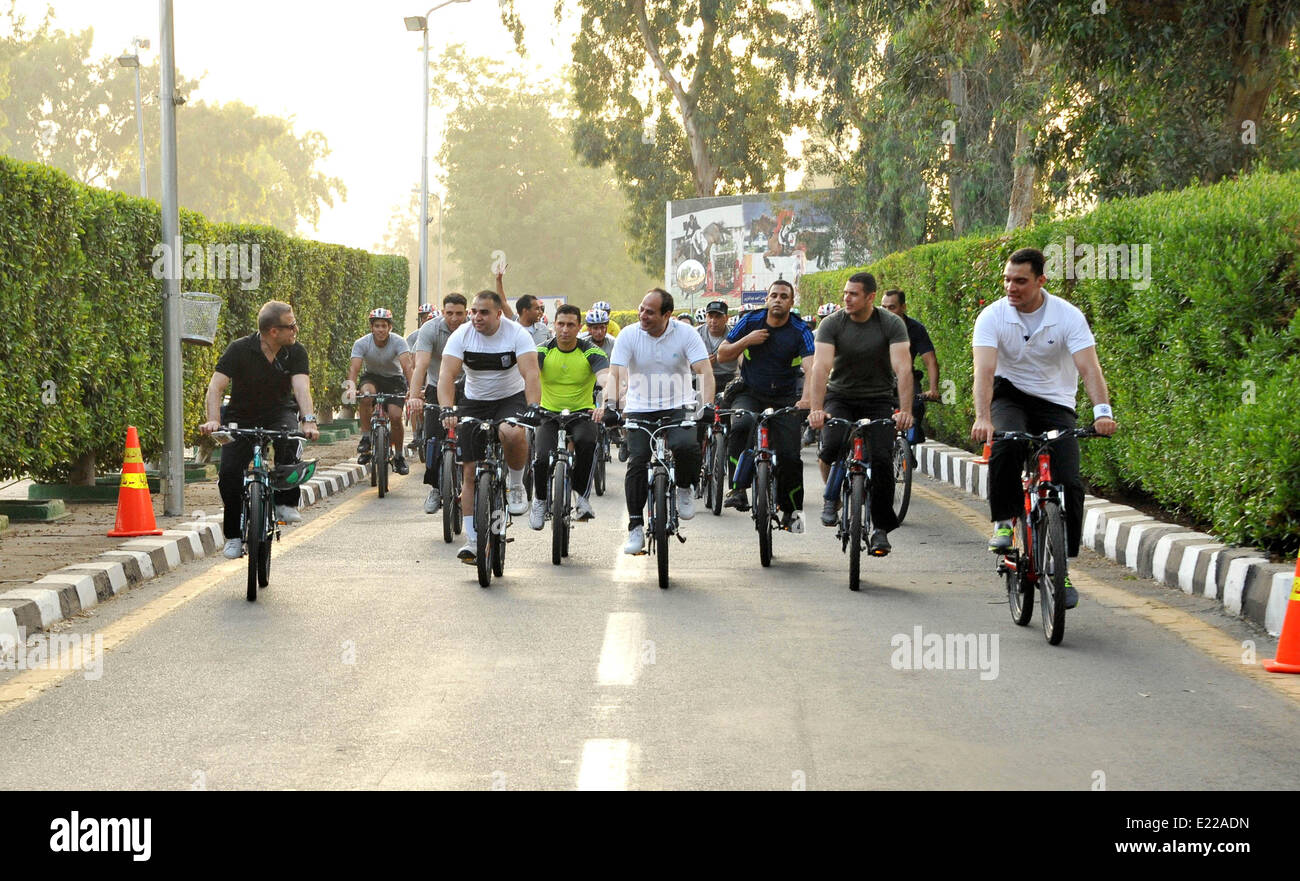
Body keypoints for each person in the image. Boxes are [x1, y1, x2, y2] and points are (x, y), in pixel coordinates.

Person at [971, 247, 1117, 609]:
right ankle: (1004, 522)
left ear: (1040, 281)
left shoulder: (1067, 316)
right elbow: (984, 372)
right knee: (1006, 445)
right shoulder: (992, 316)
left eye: (1020, 281)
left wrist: (1102, 411)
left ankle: (1062, 565)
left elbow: (1089, 368)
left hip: (1055, 403)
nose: (1010, 287)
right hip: (1010, 396)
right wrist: (983, 417)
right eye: (1006, 279)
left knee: (1068, 481)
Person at [200, 300, 320, 559]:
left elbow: (301, 389)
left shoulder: (296, 352)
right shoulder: (239, 349)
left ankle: (285, 501)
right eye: (291, 326)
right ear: (273, 331)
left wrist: (308, 420)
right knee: (230, 474)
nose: (296, 330)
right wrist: (213, 420)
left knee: (291, 440)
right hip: (240, 417)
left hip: (279, 413)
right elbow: (215, 387)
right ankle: (233, 536)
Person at [806, 272, 913, 556]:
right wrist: (817, 410)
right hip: (840, 396)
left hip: (878, 398)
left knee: (880, 459)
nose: (847, 298)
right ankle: (833, 496)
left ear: (870, 297)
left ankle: (880, 528)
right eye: (845, 293)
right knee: (830, 445)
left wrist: (905, 411)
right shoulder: (832, 324)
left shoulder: (890, 324)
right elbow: (820, 368)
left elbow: (903, 368)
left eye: (853, 294)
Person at [606, 288, 714, 555]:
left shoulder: (686, 334)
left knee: (686, 447)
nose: (643, 315)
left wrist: (708, 405)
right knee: (638, 461)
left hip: (679, 406)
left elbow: (704, 371)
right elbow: (616, 373)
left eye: (650, 312)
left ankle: (686, 486)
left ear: (668, 315)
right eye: (641, 309)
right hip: (640, 408)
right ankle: (634, 528)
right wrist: (611, 406)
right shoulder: (629, 335)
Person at [439, 290, 541, 563]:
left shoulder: (517, 334)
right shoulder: (461, 334)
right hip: (474, 402)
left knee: (510, 431)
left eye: (483, 312)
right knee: (470, 472)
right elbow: (447, 375)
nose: (476, 317)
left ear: (498, 313)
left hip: (511, 399)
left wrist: (533, 407)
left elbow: (531, 373)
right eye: (474, 311)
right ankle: (473, 540)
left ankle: (517, 484)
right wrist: (448, 409)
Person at [717, 281, 814, 532]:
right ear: (767, 300)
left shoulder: (799, 329)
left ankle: (792, 512)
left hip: (785, 397)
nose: (778, 300)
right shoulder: (751, 321)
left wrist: (807, 399)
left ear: (791, 303)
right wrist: (747, 340)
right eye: (773, 295)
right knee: (740, 426)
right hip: (750, 392)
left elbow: (812, 367)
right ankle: (737, 488)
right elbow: (723, 353)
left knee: (790, 456)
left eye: (784, 296)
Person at [529, 304, 610, 529]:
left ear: (579, 327)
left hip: (582, 413)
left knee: (587, 443)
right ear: (554, 326)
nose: (565, 329)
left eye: (570, 325)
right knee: (542, 457)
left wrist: (603, 404)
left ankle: (582, 497)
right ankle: (540, 500)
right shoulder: (543, 350)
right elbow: (531, 377)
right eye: (561, 324)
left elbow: (604, 379)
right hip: (548, 413)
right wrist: (530, 405)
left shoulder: (592, 351)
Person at [407, 293, 469, 513]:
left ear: (466, 313)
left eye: (459, 313)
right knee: (432, 439)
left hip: (468, 388)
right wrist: (415, 396)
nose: (454, 318)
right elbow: (421, 365)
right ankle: (435, 488)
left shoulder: (473, 329)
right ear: (443, 312)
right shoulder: (430, 329)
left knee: (471, 436)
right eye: (449, 313)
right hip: (436, 387)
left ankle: (474, 486)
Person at [349, 308, 413, 475]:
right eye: (377, 326)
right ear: (371, 327)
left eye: (384, 326)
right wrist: (350, 386)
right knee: (366, 396)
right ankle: (365, 437)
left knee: (396, 417)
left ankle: (398, 457)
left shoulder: (399, 342)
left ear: (390, 327)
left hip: (394, 380)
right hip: (372, 378)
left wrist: (413, 389)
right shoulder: (361, 343)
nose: (380, 330)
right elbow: (354, 369)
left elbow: (407, 367)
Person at [880, 289, 941, 445]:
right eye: (883, 307)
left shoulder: (916, 329)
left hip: (905, 377)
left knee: (917, 406)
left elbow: (930, 361)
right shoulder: (872, 327)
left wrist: (933, 389)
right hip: (878, 378)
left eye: (892, 307)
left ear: (903, 307)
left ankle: (906, 446)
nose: (887, 312)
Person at [696, 300, 739, 403]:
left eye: (718, 317)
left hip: (727, 378)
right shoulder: (695, 334)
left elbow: (743, 358)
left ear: (726, 318)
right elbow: (683, 362)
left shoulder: (735, 335)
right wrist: (702, 364)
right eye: (710, 316)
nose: (713, 321)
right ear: (706, 317)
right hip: (701, 378)